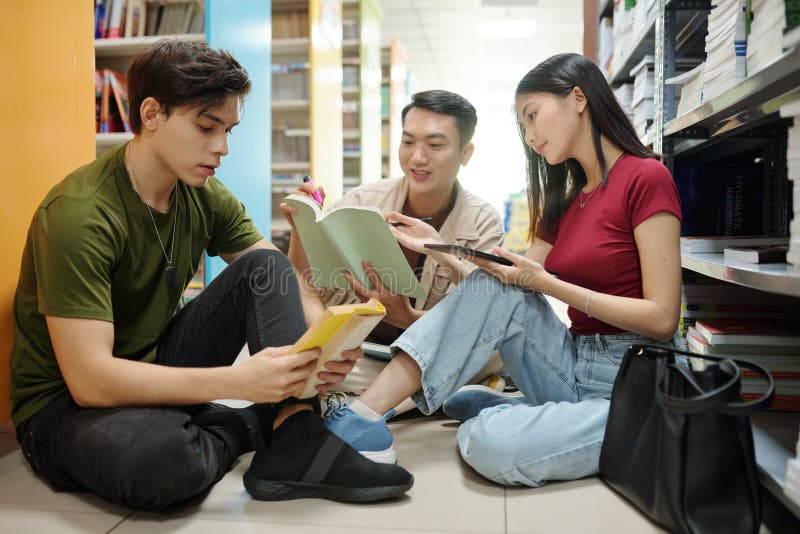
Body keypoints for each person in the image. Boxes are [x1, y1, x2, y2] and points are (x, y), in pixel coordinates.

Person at [9, 39, 412, 511]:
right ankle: (253, 423)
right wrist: (239, 384)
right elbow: (90, 382)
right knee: (165, 461)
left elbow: (276, 273)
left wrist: (325, 344)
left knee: (266, 265)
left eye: (228, 130)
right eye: (206, 127)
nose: (220, 147)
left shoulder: (201, 191)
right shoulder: (80, 214)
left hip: (155, 363)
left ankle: (296, 436)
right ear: (152, 113)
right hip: (64, 408)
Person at [321, 52, 683, 485]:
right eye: (522, 126)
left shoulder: (646, 177)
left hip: (629, 381)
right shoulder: (564, 199)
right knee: (498, 290)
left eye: (532, 116)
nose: (529, 136)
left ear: (579, 98)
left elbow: (663, 319)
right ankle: (363, 416)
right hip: (570, 364)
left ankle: (522, 415)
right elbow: (500, 290)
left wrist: (548, 285)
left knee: (488, 444)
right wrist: (435, 246)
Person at [284, 90, 506, 428]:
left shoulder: (483, 222)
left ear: (466, 153)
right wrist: (301, 224)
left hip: (426, 354)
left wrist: (406, 317)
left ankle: (361, 401)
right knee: (298, 345)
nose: (418, 158)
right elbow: (304, 280)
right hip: (361, 354)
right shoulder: (363, 200)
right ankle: (422, 399)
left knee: (497, 349)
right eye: (408, 142)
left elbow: (478, 324)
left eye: (435, 145)